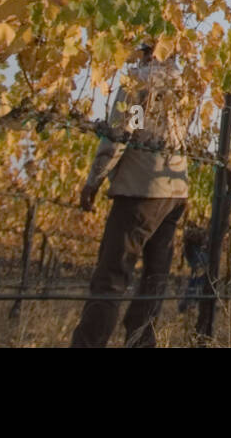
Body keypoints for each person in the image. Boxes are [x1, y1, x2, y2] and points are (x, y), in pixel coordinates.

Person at [70, 43, 190, 348]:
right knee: (154, 280)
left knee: (111, 277)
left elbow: (121, 133)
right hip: (176, 192)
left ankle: (88, 344)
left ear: (146, 50)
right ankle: (141, 343)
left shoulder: (138, 82)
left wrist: (93, 180)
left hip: (141, 189)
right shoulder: (183, 83)